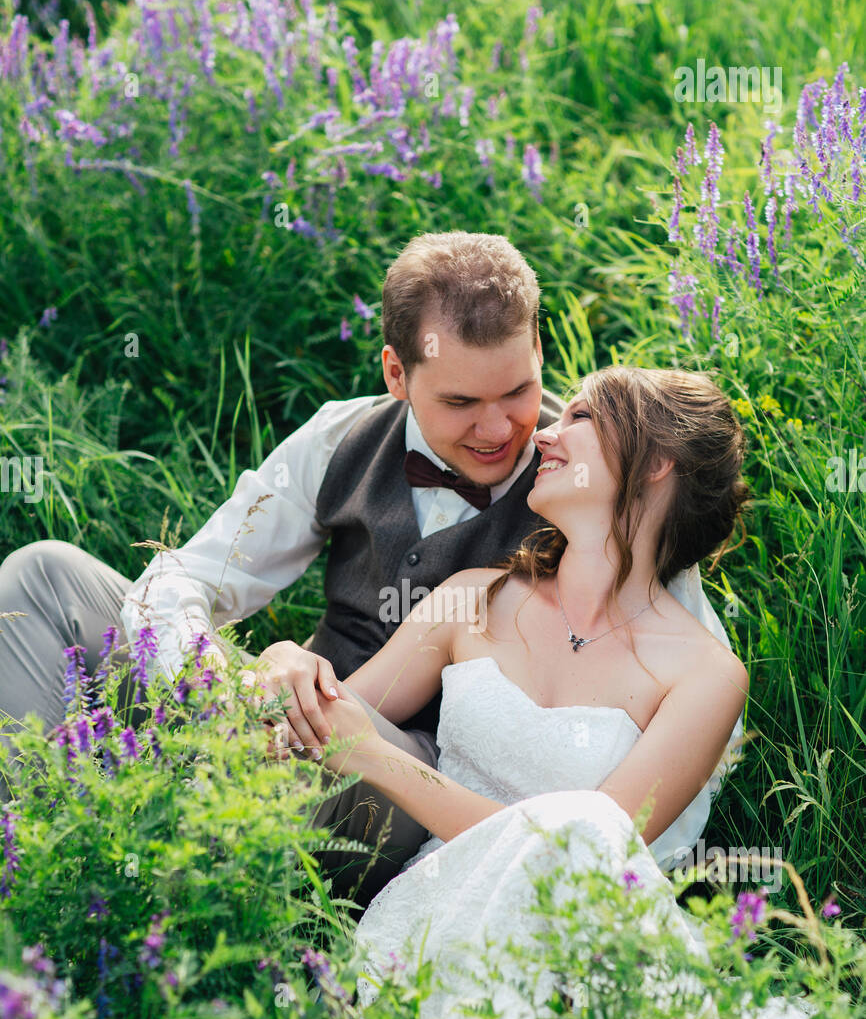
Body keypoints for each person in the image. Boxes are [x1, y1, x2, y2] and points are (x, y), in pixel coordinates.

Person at [0, 235, 734, 905]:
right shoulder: (339, 441)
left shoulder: (582, 477)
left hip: (407, 785)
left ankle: (111, 871)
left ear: (538, 352)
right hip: (319, 711)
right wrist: (236, 677)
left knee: (306, 761)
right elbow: (188, 579)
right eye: (459, 401)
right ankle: (44, 840)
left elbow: (669, 665)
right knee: (44, 577)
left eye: (519, 393)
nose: (501, 429)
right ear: (396, 372)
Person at [299, 364, 753, 1019]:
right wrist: (285, 662)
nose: (544, 433)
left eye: (579, 417)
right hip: (431, 914)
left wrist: (382, 762)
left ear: (657, 460)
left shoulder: (707, 674)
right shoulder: (472, 597)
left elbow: (585, 855)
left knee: (587, 823)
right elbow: (334, 712)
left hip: (574, 941)